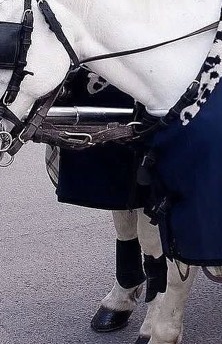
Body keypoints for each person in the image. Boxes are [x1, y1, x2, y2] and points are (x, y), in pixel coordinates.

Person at [45, 69, 166, 332]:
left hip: (150, 69)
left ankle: (160, 298)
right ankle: (127, 278)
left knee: (150, 185)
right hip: (98, 72)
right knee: (111, 178)